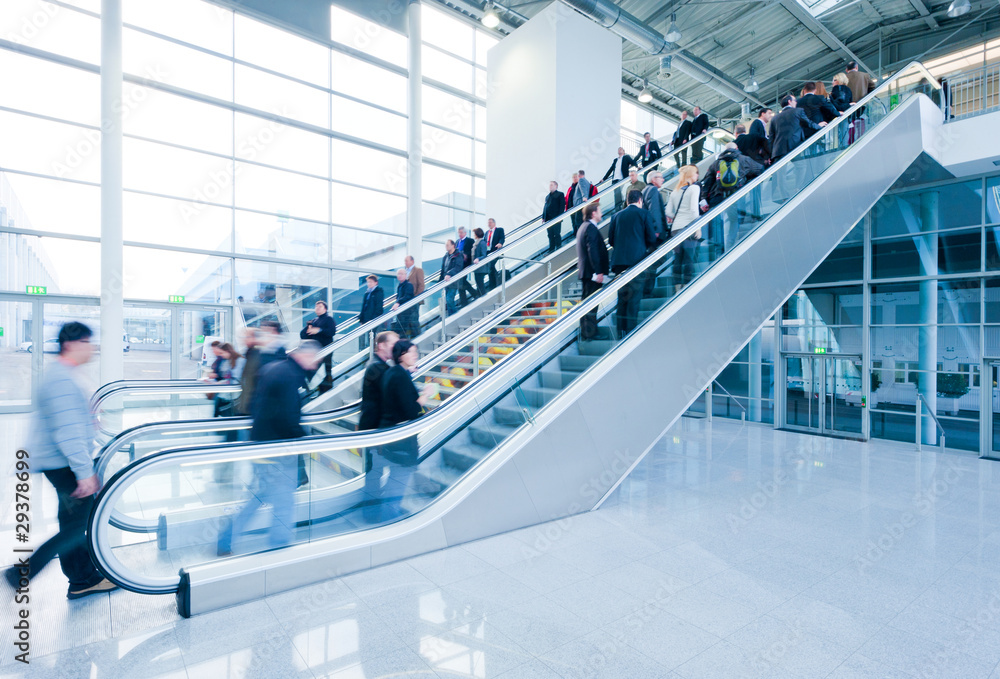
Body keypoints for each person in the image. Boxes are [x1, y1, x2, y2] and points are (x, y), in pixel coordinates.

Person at [3, 322, 118, 599]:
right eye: (89, 343)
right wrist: (84, 472)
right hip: (63, 463)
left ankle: (82, 579)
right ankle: (22, 573)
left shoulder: (62, 374)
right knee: (78, 524)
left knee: (73, 521)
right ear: (72, 344)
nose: (93, 349)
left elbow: (71, 421)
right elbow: (67, 432)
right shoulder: (62, 380)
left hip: (60, 461)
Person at [217, 341, 321, 556]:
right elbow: (287, 417)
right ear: (304, 355)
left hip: (262, 443)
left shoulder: (275, 368)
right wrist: (303, 440)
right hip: (278, 449)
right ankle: (280, 545)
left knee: (260, 495)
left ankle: (227, 538)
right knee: (283, 499)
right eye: (314, 358)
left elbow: (259, 406)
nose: (315, 363)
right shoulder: (290, 376)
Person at [372, 339, 432, 521]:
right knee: (398, 480)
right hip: (401, 440)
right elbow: (411, 410)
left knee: (393, 480)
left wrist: (409, 374)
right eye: (411, 352)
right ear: (401, 355)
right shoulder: (400, 376)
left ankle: (386, 513)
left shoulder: (392, 372)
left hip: (389, 434)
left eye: (416, 352)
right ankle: (390, 517)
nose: (416, 355)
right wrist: (426, 395)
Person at [608, 190, 657, 336]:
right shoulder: (644, 214)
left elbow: (611, 240)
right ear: (640, 201)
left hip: (619, 263)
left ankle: (620, 332)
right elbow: (651, 238)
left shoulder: (616, 216)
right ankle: (630, 333)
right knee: (634, 299)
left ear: (627, 201)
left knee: (622, 298)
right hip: (637, 262)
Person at [701, 142, 763, 253]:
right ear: (737, 148)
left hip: (718, 197)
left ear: (725, 149)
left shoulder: (716, 163)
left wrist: (704, 199)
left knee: (717, 224)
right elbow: (760, 169)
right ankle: (731, 247)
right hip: (736, 196)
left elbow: (706, 182)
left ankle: (718, 250)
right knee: (734, 221)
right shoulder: (744, 159)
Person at [575, 202, 609, 341]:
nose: (601, 213)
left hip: (587, 273)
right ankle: (590, 334)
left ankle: (586, 332)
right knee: (591, 306)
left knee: (587, 304)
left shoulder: (583, 227)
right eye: (599, 211)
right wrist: (598, 271)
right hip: (592, 274)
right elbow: (592, 250)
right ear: (593, 213)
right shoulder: (590, 228)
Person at [666, 165, 703, 291]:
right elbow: (693, 209)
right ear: (690, 175)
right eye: (696, 173)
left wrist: (677, 215)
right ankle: (687, 287)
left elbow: (668, 211)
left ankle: (677, 288)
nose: (697, 175)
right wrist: (698, 227)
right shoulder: (694, 188)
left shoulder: (675, 191)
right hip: (688, 228)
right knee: (688, 258)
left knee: (678, 259)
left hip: (676, 229)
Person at [358, 331, 399, 432]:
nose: (397, 348)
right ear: (381, 345)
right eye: (393, 344)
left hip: (374, 423)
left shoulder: (378, 364)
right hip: (374, 425)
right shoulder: (376, 366)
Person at [769, 94, 826, 163]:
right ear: (789, 101)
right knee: (800, 169)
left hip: (778, 151)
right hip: (795, 147)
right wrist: (819, 126)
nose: (796, 102)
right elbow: (809, 123)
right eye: (795, 100)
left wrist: (771, 155)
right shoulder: (798, 111)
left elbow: (771, 138)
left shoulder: (774, 118)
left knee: (781, 173)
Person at [299, 300, 336, 393]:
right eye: (316, 307)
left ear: (325, 309)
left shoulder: (329, 319)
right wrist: (308, 330)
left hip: (325, 350)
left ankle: (326, 393)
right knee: (316, 372)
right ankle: (319, 391)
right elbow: (303, 335)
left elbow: (332, 332)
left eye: (320, 307)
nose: (317, 308)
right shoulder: (314, 320)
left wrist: (319, 330)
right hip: (315, 351)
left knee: (325, 372)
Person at [358, 274, 385, 349]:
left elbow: (379, 306)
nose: (369, 284)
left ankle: (373, 350)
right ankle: (367, 350)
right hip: (366, 319)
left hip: (373, 319)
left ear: (376, 282)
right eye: (368, 282)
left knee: (373, 336)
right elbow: (364, 306)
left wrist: (374, 318)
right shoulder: (367, 293)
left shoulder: (379, 292)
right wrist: (361, 318)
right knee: (367, 336)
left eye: (371, 282)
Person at [454, 227, 478, 306]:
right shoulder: (457, 242)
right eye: (459, 233)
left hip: (465, 264)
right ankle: (464, 301)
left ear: (465, 233)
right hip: (458, 265)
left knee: (462, 281)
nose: (459, 234)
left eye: (461, 232)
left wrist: (464, 254)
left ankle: (474, 294)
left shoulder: (470, 241)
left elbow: (472, 251)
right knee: (460, 283)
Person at [440, 239, 465, 313]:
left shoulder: (458, 255)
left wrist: (449, 274)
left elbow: (458, 267)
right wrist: (440, 280)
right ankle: (451, 316)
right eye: (446, 245)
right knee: (447, 301)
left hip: (454, 281)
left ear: (453, 245)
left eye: (447, 245)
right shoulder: (446, 256)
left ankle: (454, 316)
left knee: (449, 299)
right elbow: (443, 269)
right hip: (446, 281)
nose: (446, 247)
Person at [391, 269, 418, 338]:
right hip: (402, 312)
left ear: (406, 275)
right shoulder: (400, 285)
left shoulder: (408, 285)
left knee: (403, 329)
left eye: (401, 274)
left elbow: (407, 296)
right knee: (399, 330)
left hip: (408, 312)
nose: (399, 276)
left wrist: (398, 303)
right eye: (398, 274)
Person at [830, 73, 853, 148]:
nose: (832, 82)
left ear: (840, 80)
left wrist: (830, 97)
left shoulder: (836, 88)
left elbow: (836, 104)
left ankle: (841, 149)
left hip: (839, 113)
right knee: (844, 134)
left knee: (839, 134)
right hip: (846, 114)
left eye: (835, 80)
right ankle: (844, 148)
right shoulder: (849, 90)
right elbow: (849, 102)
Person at [543, 180, 566, 253]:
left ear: (556, 186)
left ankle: (559, 247)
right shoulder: (547, 197)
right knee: (550, 235)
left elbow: (562, 206)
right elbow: (545, 207)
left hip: (556, 218)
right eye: (550, 185)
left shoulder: (560, 194)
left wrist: (560, 217)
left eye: (552, 185)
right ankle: (551, 249)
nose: (550, 186)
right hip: (548, 220)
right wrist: (543, 218)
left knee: (557, 233)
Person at [484, 218, 505, 289]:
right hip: (488, 253)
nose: (489, 224)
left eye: (490, 222)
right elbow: (485, 242)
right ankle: (495, 282)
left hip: (496, 251)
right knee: (490, 267)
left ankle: (493, 285)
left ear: (494, 223)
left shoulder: (499, 230)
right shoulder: (487, 232)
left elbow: (502, 238)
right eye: (488, 222)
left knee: (490, 266)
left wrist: (500, 243)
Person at [471, 227, 489, 296]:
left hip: (481, 268)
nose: (474, 235)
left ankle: (483, 298)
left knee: (480, 285)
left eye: (474, 234)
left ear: (477, 234)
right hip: (477, 268)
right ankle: (479, 298)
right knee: (478, 284)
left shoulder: (482, 243)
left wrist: (478, 259)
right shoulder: (476, 243)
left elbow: (484, 255)